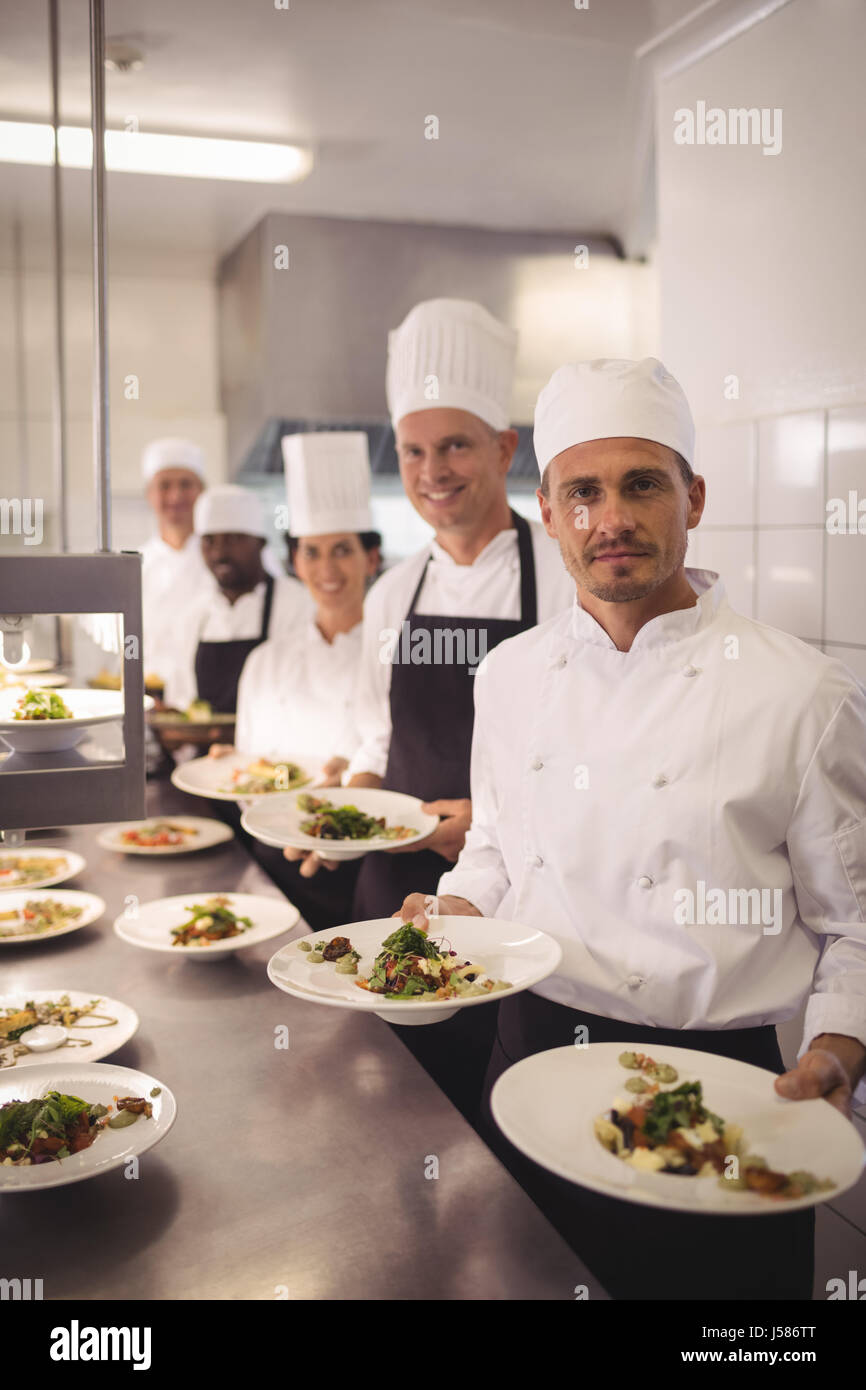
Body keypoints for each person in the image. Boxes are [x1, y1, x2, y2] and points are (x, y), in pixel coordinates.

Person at [398, 356, 866, 1300]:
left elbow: (855, 923)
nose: (609, 518)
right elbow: (495, 847)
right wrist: (452, 914)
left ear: (694, 498)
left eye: (641, 484)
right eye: (582, 492)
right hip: (529, 1061)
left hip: (720, 1096)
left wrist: (838, 1047)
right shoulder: (510, 675)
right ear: (548, 510)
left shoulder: (804, 695)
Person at [296, 298, 573, 1119]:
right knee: (382, 1105)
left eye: (455, 445)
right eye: (414, 450)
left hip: (510, 892)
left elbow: (585, 756)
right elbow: (377, 734)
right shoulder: (392, 594)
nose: (432, 470)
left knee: (490, 1115)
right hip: (394, 886)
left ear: (504, 449)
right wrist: (349, 815)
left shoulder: (562, 582)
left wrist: (487, 823)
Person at [212, 432, 381, 930]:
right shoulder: (266, 660)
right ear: (295, 562)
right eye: (311, 552)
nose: (326, 568)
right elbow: (253, 773)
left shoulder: (396, 656)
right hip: (276, 861)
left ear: (371, 559)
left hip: (368, 863)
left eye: (342, 550)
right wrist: (236, 772)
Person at [163, 484, 310, 717]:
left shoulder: (298, 605)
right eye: (209, 541)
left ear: (260, 544)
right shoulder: (192, 616)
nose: (219, 553)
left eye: (233, 540)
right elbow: (181, 700)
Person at [139, 437, 211, 692]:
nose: (176, 495)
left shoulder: (223, 561)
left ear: (201, 491)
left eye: (185, 484)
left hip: (210, 696)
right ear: (149, 494)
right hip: (147, 697)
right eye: (165, 485)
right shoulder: (136, 565)